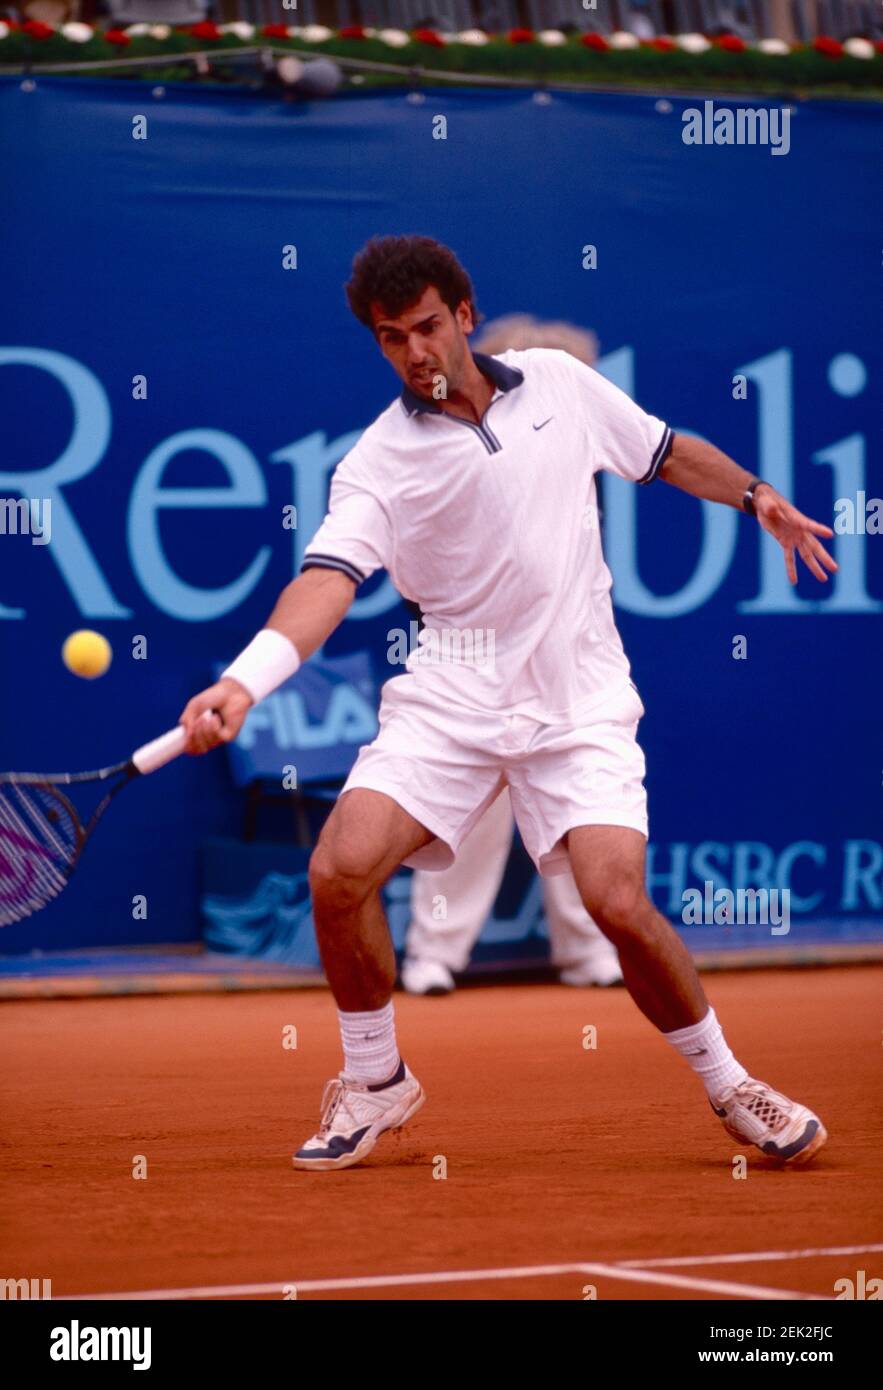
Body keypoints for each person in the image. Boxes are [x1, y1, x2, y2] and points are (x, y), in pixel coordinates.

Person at [180, 235, 836, 1172]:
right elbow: (325, 581)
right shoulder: (376, 464)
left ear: (465, 316)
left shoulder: (560, 387)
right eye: (390, 337)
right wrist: (245, 680)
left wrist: (757, 496)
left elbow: (662, 451)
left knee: (615, 899)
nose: (414, 352)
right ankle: (374, 1081)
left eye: (428, 327)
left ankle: (731, 1084)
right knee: (338, 870)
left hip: (576, 695)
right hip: (449, 695)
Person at [401, 313, 623, 995]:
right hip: (470, 665)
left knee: (583, 807)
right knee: (462, 806)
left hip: (564, 669)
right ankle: (433, 954)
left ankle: (588, 950)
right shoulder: (448, 456)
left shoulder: (577, 454)